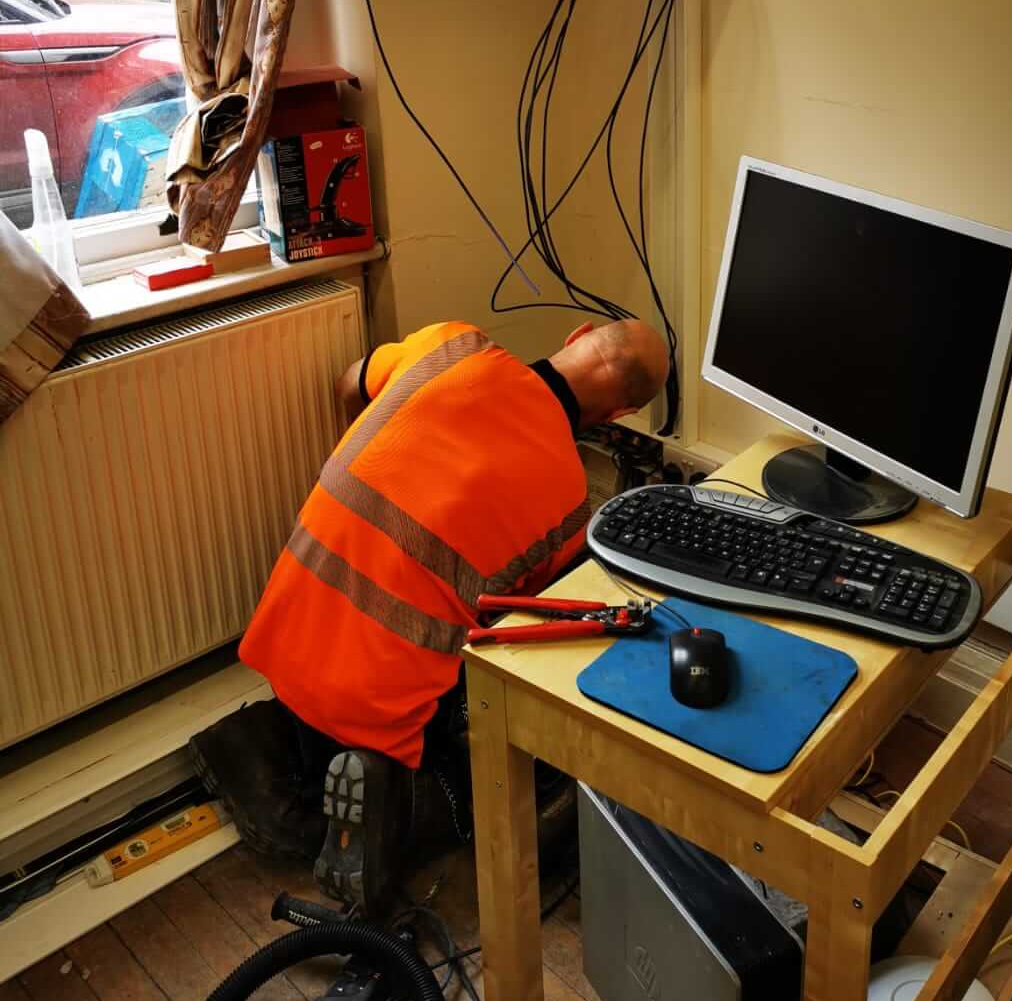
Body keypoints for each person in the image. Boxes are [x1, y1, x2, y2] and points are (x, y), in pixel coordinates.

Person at [191, 315, 669, 914]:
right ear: (620, 415)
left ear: (575, 335)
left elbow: (348, 384)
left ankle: (255, 745)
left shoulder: (450, 343)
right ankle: (394, 807)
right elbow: (509, 628)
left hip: (284, 634)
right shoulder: (570, 503)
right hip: (379, 708)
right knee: (499, 732)